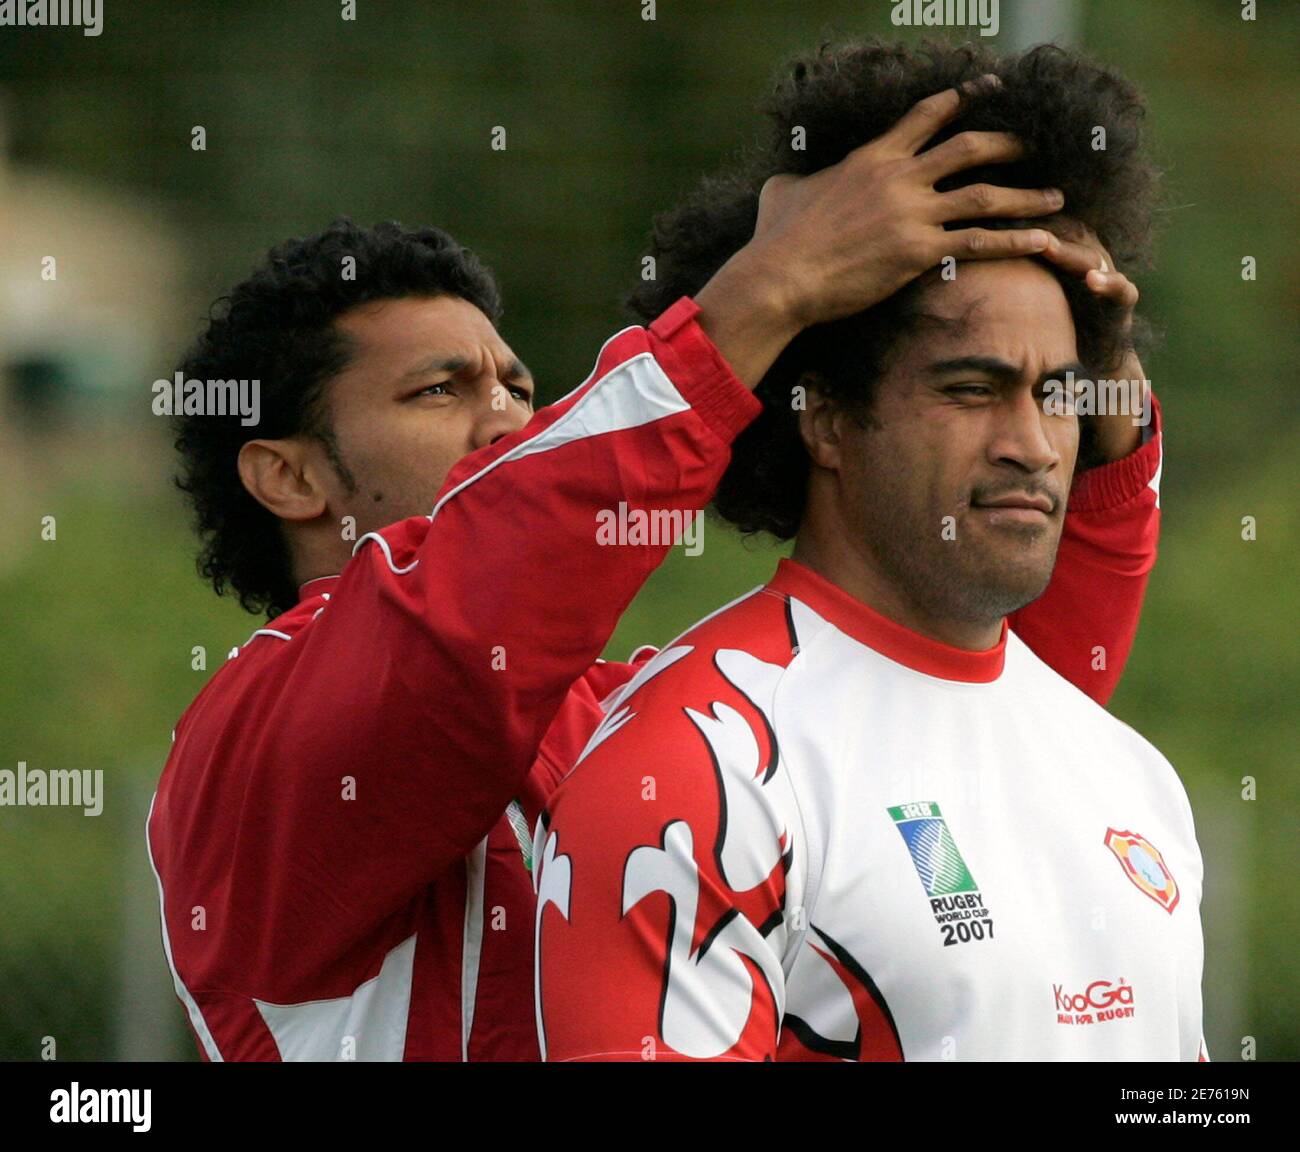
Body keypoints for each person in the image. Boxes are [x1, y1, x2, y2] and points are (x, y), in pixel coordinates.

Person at [533, 39, 1205, 1062]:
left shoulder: (1135, 778)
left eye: (1060, 395)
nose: (1031, 444)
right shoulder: (695, 767)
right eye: (970, 389)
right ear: (828, 420)